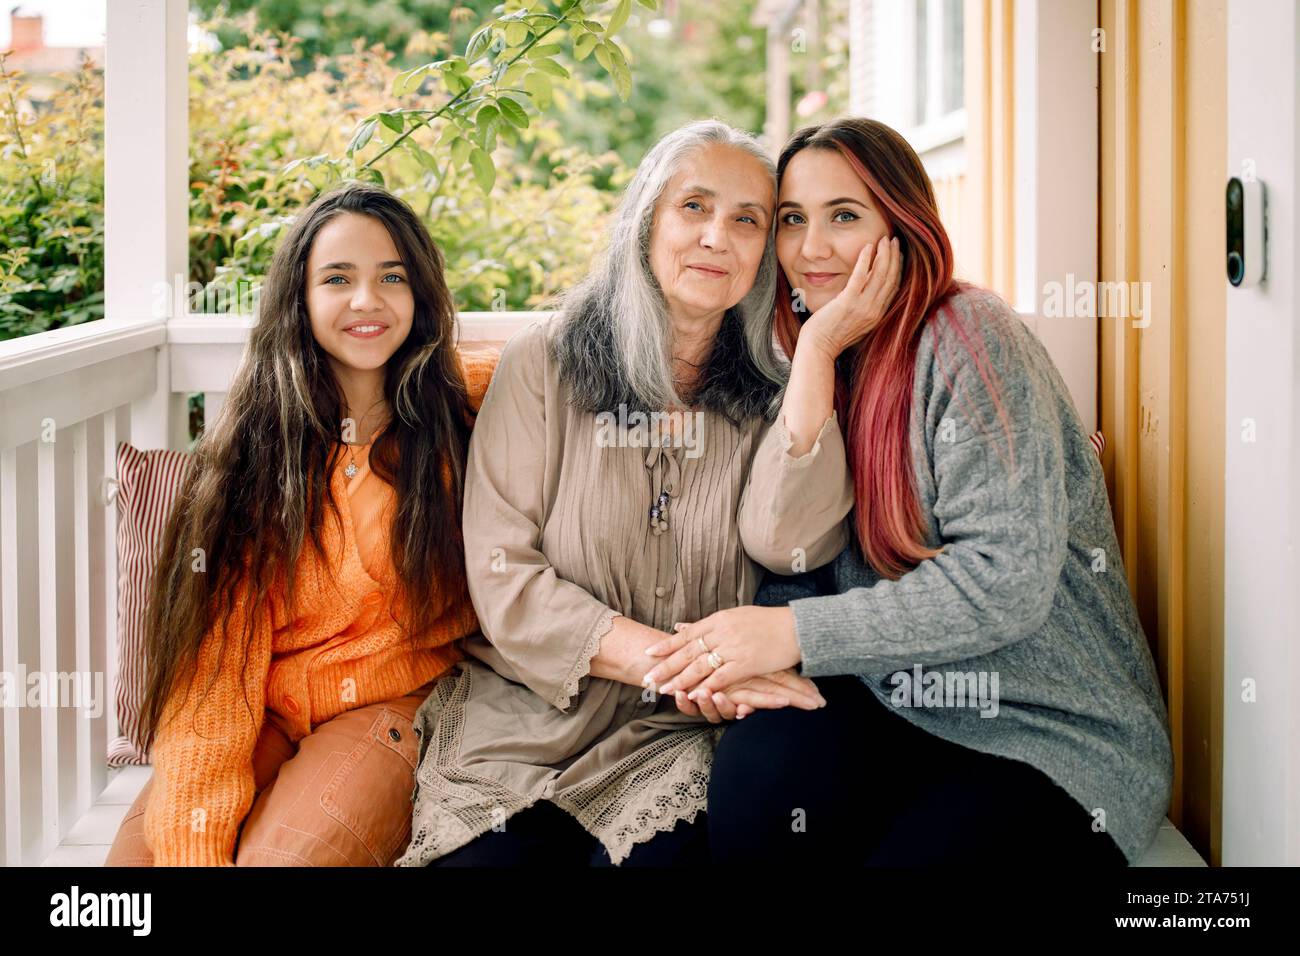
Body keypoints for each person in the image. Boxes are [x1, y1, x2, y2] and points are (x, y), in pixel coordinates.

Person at [644, 117, 1174, 866]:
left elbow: (1005, 582)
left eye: (845, 217)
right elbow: (797, 555)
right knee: (760, 786)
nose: (813, 248)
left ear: (904, 227)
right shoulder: (806, 351)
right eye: (793, 220)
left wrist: (795, 635)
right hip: (889, 694)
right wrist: (740, 662)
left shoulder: (970, 334)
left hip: (1047, 725)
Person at [398, 120, 837, 868]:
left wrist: (819, 351)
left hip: (684, 735)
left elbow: (796, 546)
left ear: (765, 251)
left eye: (746, 220)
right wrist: (678, 662)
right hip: (526, 723)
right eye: (693, 207)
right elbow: (505, 577)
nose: (716, 238)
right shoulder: (544, 361)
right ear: (645, 221)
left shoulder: (780, 389)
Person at [105, 182, 498, 866]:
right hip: (261, 709)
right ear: (300, 298)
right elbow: (213, 681)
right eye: (338, 278)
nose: (367, 300)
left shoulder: (460, 405)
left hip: (398, 705)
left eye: (392, 277)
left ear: (420, 293)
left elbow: (579, 364)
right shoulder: (253, 459)